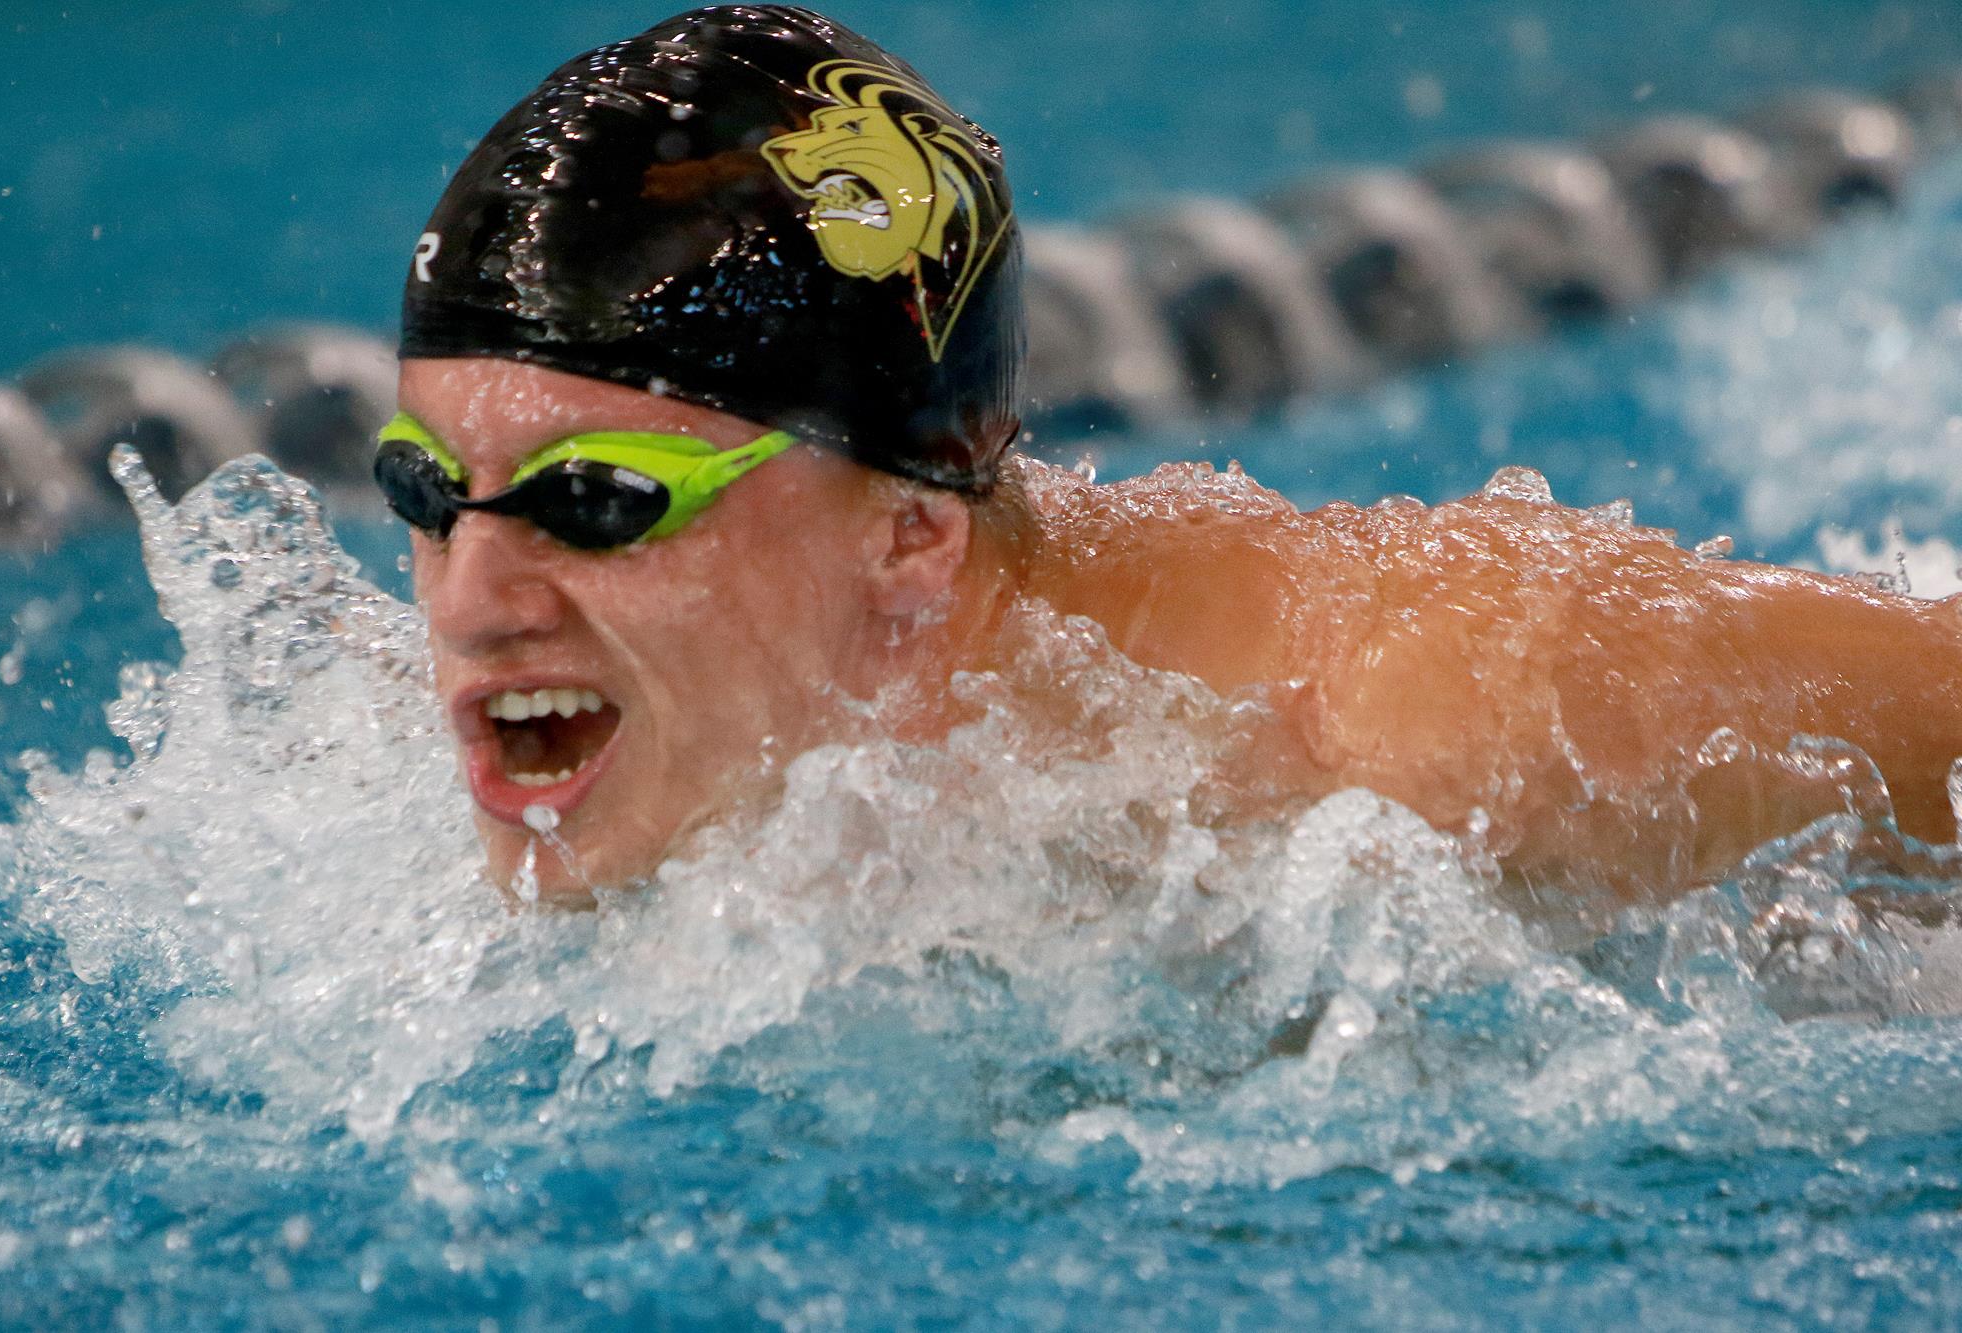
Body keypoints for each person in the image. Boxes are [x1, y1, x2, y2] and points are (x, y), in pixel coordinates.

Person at [382, 4, 1962, 907]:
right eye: (425, 493)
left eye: (598, 500)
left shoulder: (1419, 722)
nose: (469, 601)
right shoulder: (438, 773)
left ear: (911, 533)